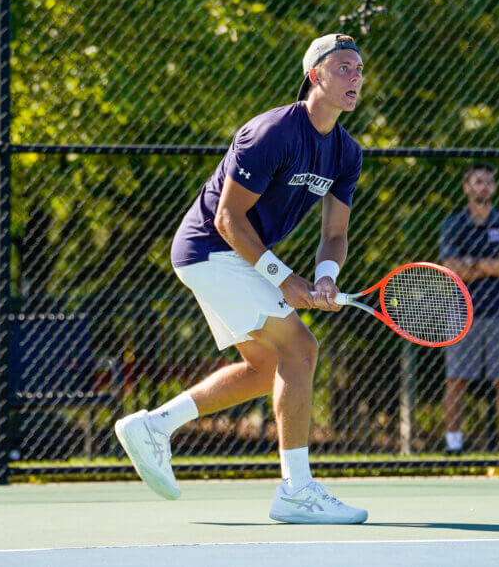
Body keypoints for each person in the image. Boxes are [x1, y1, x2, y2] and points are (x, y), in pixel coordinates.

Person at [114, 34, 367, 524]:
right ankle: (297, 491)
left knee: (268, 367)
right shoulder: (271, 132)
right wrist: (285, 279)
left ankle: (154, 426)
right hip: (209, 248)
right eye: (342, 68)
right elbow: (229, 219)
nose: (355, 77)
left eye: (358, 69)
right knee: (302, 349)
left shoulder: (346, 154)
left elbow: (335, 234)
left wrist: (326, 277)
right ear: (314, 75)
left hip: (237, 256)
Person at [439, 162, 499, 455]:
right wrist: (491, 264)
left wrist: (471, 264)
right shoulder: (452, 225)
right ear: (466, 187)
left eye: (488, 181)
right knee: (456, 380)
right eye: (477, 182)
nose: (483, 187)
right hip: (462, 313)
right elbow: (450, 268)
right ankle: (453, 447)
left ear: (494, 187)